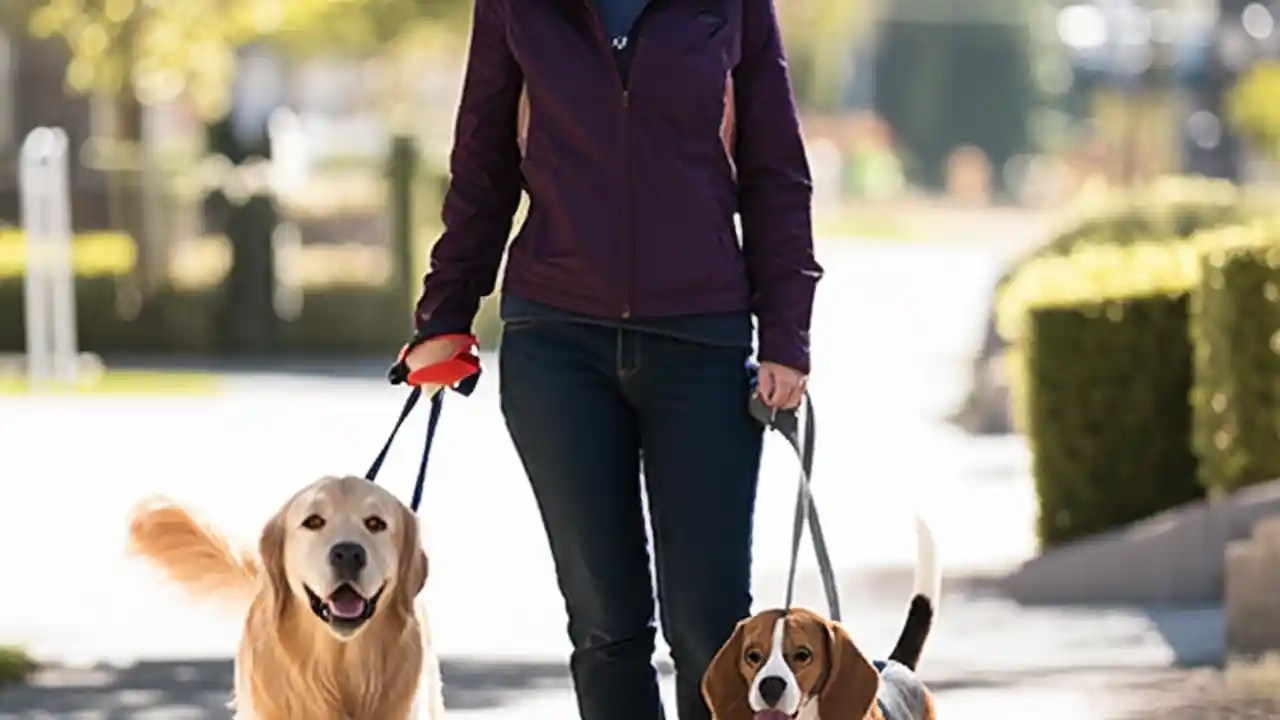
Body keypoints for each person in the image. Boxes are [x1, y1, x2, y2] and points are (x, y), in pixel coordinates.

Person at [394, 1, 821, 718]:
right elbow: (483, 163)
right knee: (605, 628)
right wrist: (445, 313)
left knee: (711, 628)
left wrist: (786, 334)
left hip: (701, 346)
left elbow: (776, 169)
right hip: (556, 346)